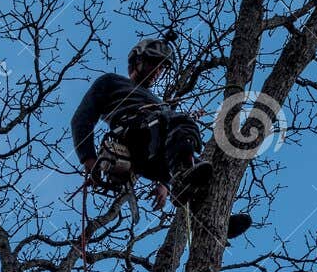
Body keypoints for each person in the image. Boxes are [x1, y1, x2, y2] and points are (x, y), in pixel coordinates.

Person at [71, 38, 253, 241]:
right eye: (152, 64)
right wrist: (88, 157)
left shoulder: (159, 103)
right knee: (177, 121)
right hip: (132, 133)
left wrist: (164, 183)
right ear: (136, 62)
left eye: (161, 68)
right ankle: (182, 174)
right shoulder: (111, 82)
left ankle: (216, 221)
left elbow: (171, 138)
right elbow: (81, 119)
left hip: (154, 150)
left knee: (206, 170)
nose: (157, 71)